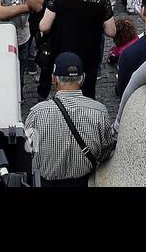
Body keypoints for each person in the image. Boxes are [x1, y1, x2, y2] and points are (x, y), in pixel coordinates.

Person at [23, 52, 114, 186]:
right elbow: (106, 150)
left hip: (46, 182)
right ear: (82, 78)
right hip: (85, 182)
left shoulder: (37, 113)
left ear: (54, 79)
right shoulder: (99, 112)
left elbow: (28, 152)